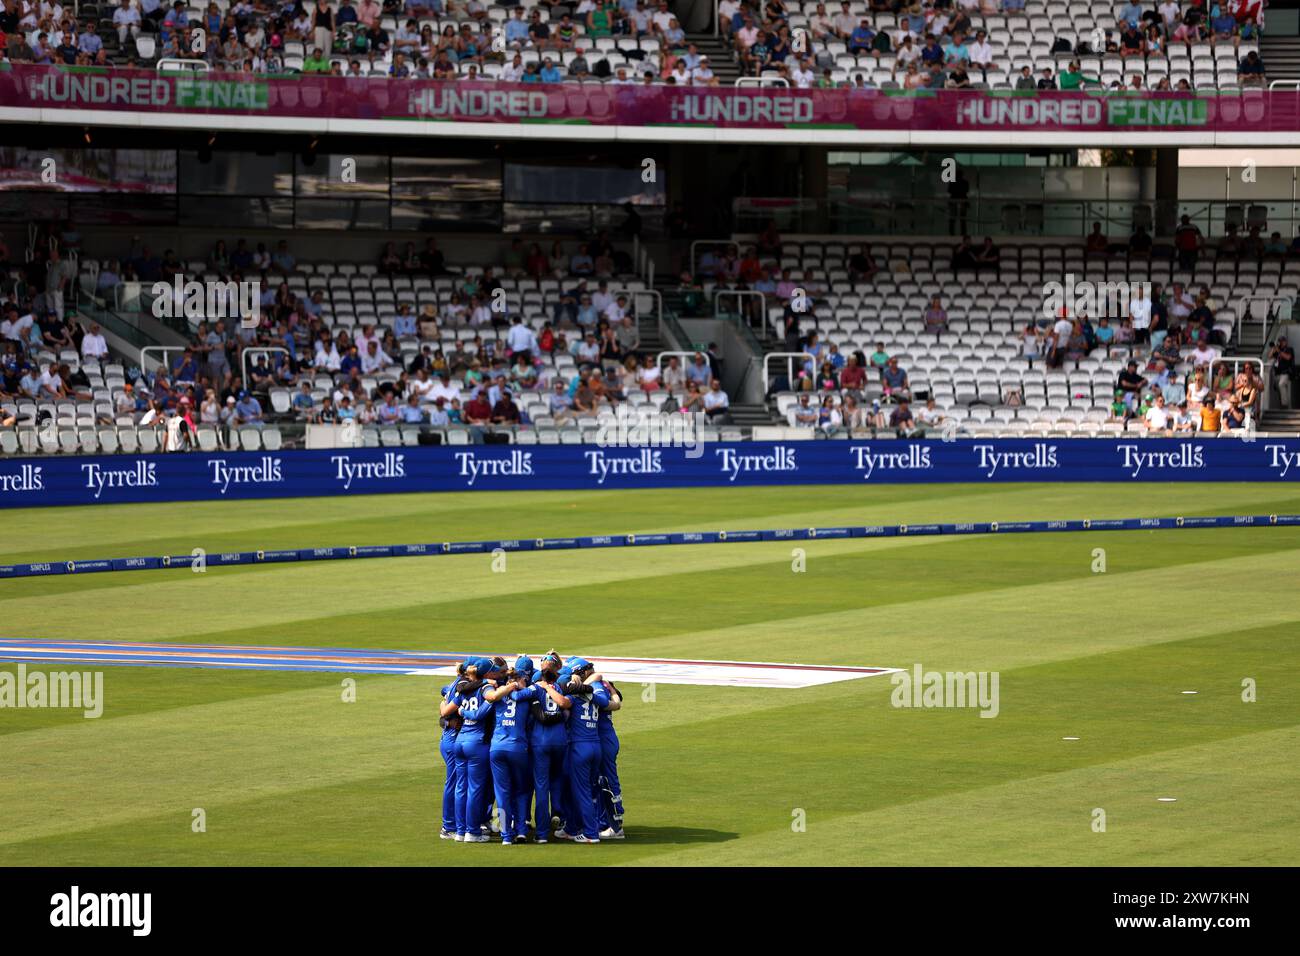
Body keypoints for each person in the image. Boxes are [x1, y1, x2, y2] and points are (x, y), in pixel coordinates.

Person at [553, 659, 609, 843]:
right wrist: (587, 690)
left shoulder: (572, 696)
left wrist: (548, 688)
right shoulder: (593, 692)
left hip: (579, 747)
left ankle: (591, 834)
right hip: (595, 745)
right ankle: (572, 827)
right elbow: (604, 700)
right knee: (587, 790)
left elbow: (562, 702)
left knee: (582, 791)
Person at [513, 652, 568, 843]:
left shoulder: (535, 688)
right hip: (561, 740)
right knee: (558, 779)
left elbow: (516, 695)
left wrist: (515, 685)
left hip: (540, 742)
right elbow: (568, 706)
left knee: (541, 787)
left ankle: (542, 833)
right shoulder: (561, 687)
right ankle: (559, 816)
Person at [485, 656, 535, 845]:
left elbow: (484, 713)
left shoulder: (498, 695)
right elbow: (531, 723)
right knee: (522, 790)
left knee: (502, 792)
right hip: (518, 748)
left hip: (497, 747)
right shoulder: (526, 698)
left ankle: (506, 835)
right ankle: (521, 830)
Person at [437, 664, 466, 841]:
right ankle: (448, 826)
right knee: (454, 782)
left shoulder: (459, 683)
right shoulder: (463, 684)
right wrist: (447, 721)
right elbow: (444, 714)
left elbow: (444, 690)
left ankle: (459, 823)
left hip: (453, 739)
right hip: (452, 739)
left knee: (458, 782)